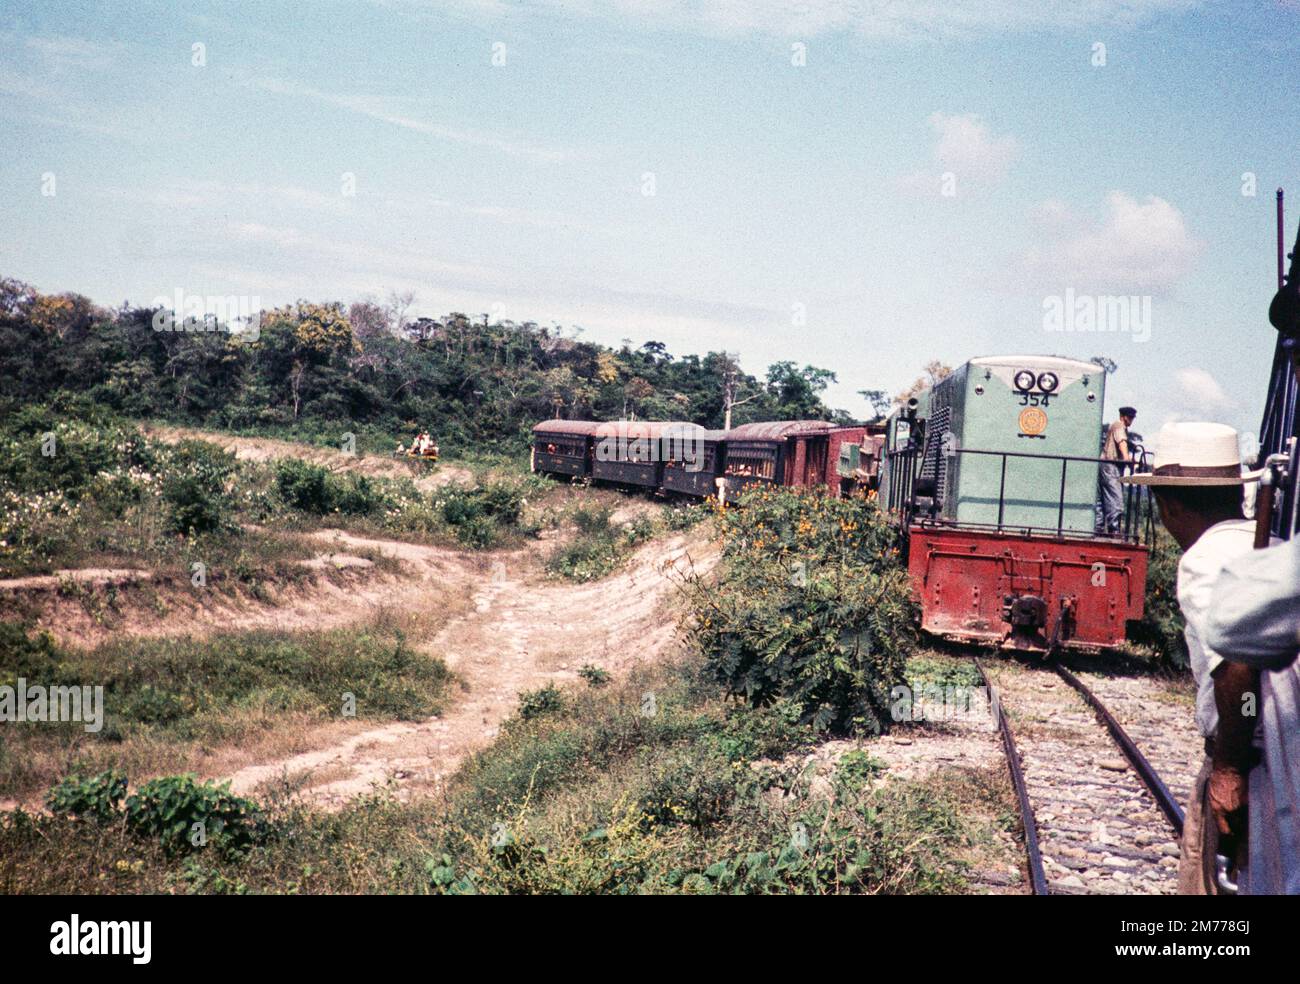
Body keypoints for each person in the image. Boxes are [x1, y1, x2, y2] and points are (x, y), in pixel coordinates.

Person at [1123, 421, 1268, 894]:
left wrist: (1230, 765)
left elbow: (1239, 667)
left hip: (1250, 765)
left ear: (1170, 504)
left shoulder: (1207, 558)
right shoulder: (1268, 546)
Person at [1097, 406, 1137, 534]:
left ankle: (1098, 527)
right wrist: (1127, 459)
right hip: (1111, 465)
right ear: (1125, 417)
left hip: (1105, 464)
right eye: (1130, 417)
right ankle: (1114, 530)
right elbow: (1122, 443)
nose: (1131, 420)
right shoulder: (1119, 426)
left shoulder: (1114, 426)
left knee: (1102, 499)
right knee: (1116, 500)